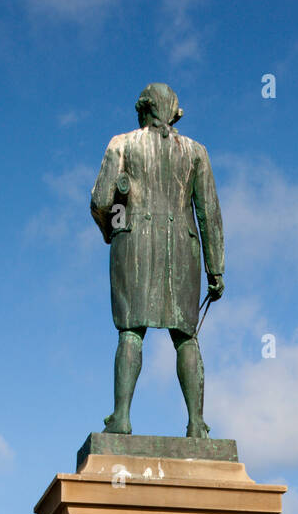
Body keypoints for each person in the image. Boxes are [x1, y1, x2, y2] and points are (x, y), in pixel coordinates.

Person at [91, 83, 224, 437]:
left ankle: (121, 417)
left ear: (143, 110)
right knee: (186, 336)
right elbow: (208, 213)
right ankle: (196, 424)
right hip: (182, 245)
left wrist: (113, 227)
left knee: (131, 332)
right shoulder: (196, 151)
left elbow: (103, 201)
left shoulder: (122, 144)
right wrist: (216, 267)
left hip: (133, 242)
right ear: (172, 112)